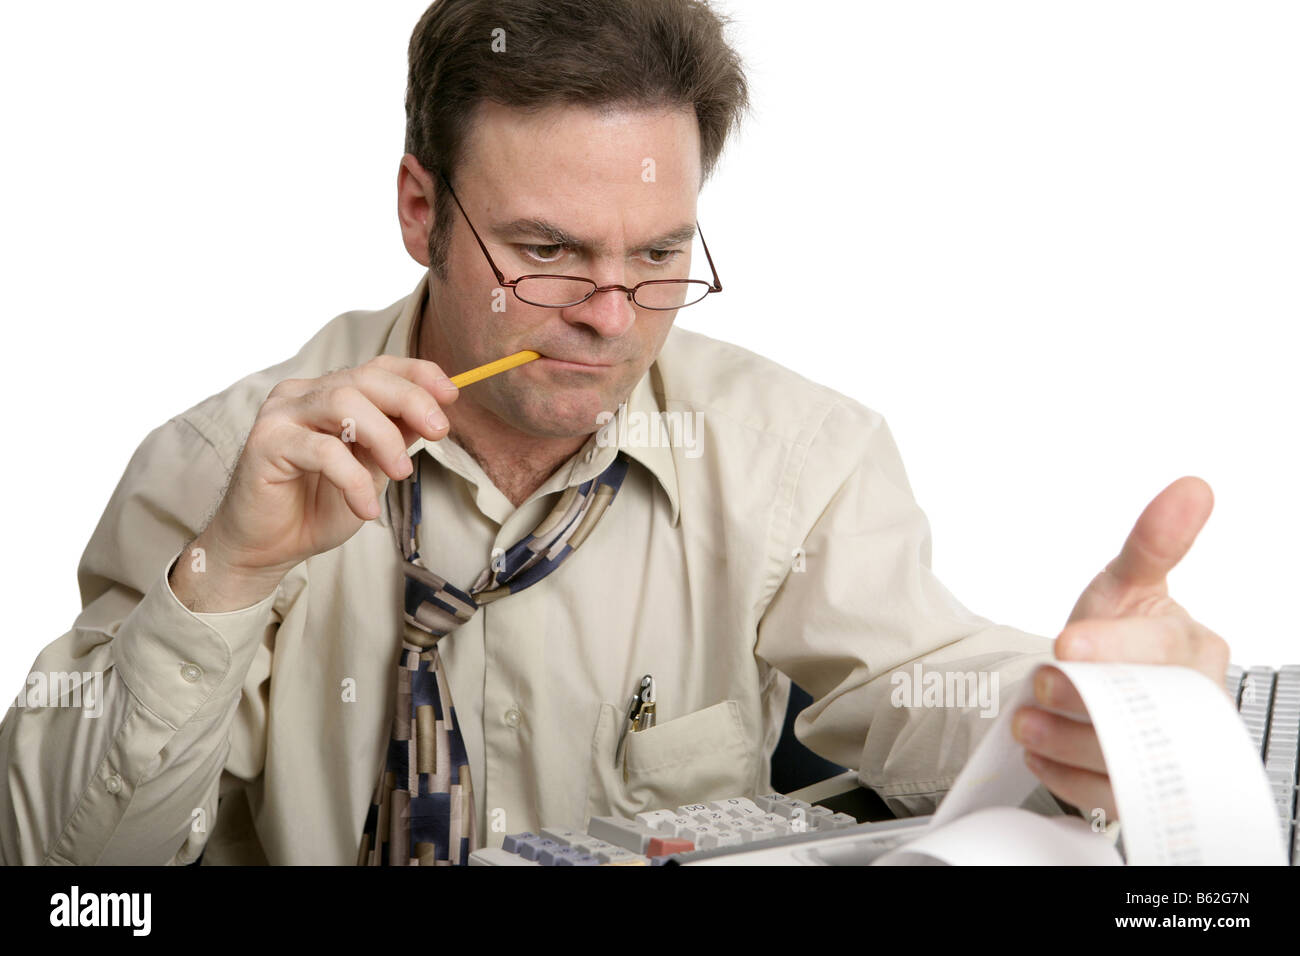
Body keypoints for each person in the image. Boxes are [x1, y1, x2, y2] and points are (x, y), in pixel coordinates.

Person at [0, 0, 1228, 865]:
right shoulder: (227, 466)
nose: (607, 317)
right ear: (420, 206)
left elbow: (924, 683)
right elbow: (67, 870)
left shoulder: (789, 452)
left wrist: (1098, 706)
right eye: (545, 251)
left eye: (658, 256)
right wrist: (230, 576)